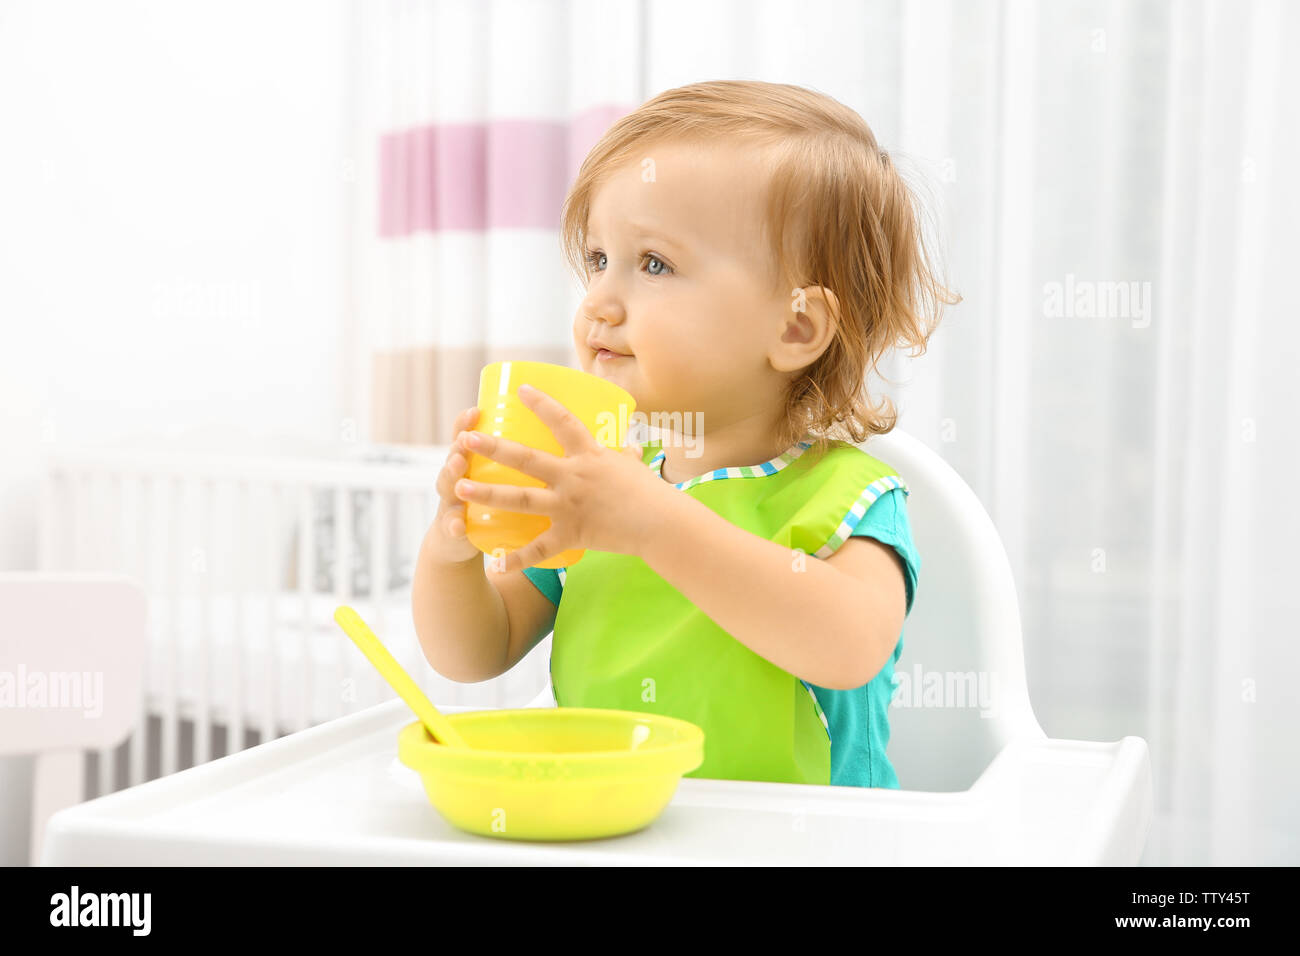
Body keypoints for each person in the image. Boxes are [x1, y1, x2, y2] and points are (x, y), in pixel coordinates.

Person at [415, 79, 960, 789]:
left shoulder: (848, 496)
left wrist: (650, 524)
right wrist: (450, 552)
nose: (599, 303)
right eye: (599, 260)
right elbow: (473, 653)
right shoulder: (596, 486)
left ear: (796, 325)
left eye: (654, 264)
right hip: (618, 828)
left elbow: (850, 645)